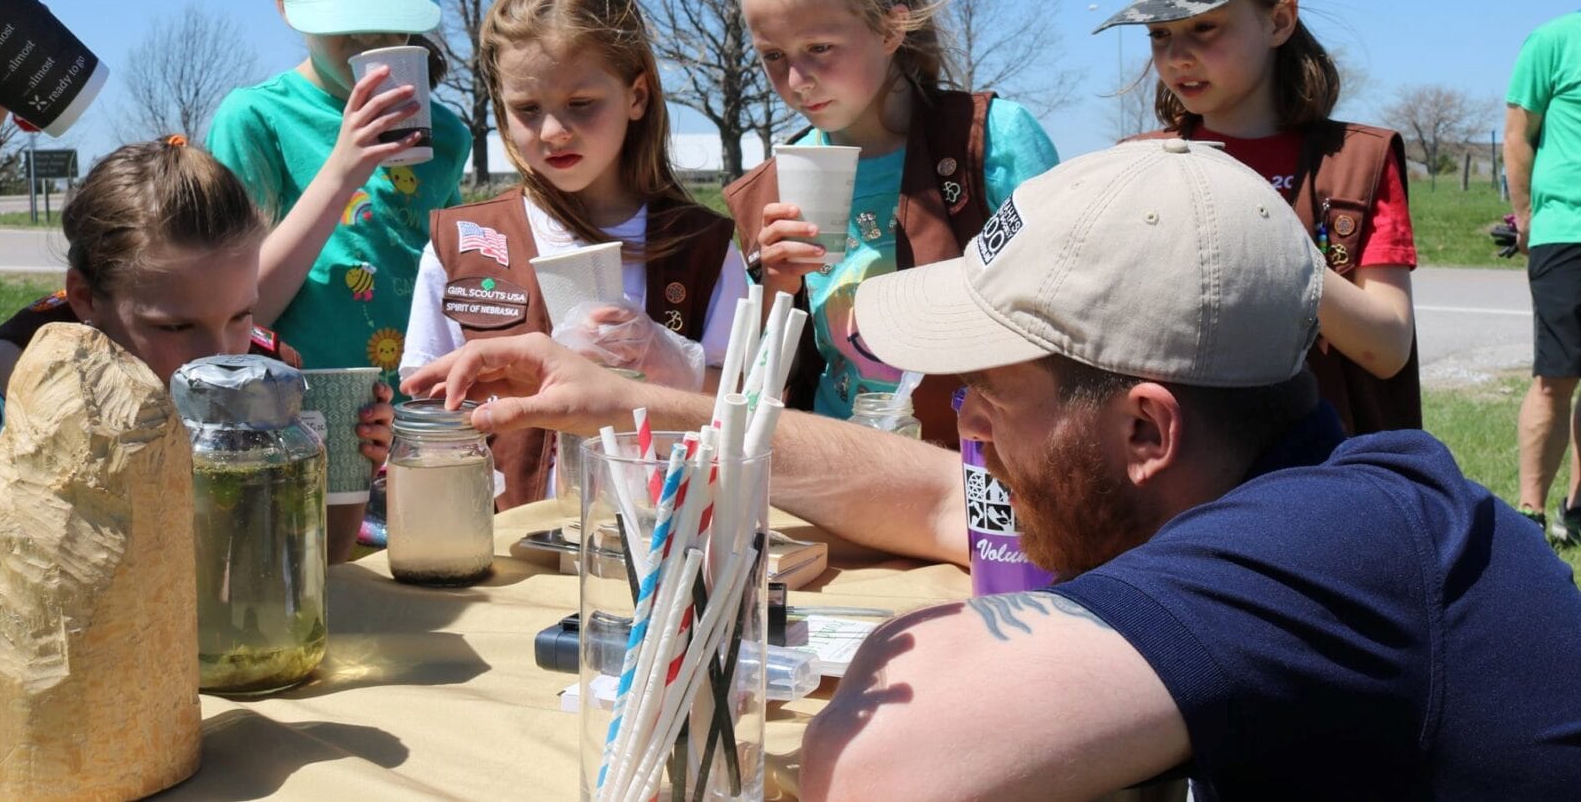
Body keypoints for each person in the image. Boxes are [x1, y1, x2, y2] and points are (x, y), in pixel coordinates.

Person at [406, 140, 1581, 799]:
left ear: (1143, 432)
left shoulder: (1334, 548)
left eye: (989, 390)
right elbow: (926, 494)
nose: (960, 420)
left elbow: (873, 768)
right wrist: (640, 401)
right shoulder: (1272, 489)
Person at [400, 0, 744, 509]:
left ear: (637, 96)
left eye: (582, 105)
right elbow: (424, 406)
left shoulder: (702, 246)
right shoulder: (463, 240)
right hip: (503, 555)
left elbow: (745, 410)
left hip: (661, 545)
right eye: (527, 110)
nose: (554, 132)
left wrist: (672, 363)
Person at [726, 0, 1060, 447]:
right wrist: (777, 286)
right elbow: (748, 377)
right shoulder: (775, 183)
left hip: (982, 468)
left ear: (890, 27)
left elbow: (1068, 315)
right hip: (840, 468)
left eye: (819, 48)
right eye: (772, 55)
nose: (795, 79)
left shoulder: (988, 139)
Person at [1096, 0, 1419, 437]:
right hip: (1184, 477)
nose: (1177, 55)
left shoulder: (1355, 164)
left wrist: (1266, 247)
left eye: (1205, 26)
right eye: (1158, 33)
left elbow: (1387, 349)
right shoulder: (1136, 164)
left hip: (1322, 478)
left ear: (1279, 21)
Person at [0, 137, 380, 560]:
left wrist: (348, 471)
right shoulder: (10, 385)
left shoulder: (264, 374)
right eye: (175, 326)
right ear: (84, 296)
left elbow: (318, 563)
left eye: (241, 316)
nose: (218, 356)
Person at [206, 0, 471, 394]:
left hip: (417, 419)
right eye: (347, 24)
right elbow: (229, 315)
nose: (370, 40)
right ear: (285, 3)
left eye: (393, 22)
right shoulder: (256, 121)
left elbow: (455, 289)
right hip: (296, 422)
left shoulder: (448, 136)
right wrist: (341, 172)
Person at [1506, 8, 1581, 542]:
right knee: (1556, 377)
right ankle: (1529, 516)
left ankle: (1576, 512)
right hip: (1566, 229)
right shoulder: (1554, 40)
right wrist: (1525, 217)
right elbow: (1517, 134)